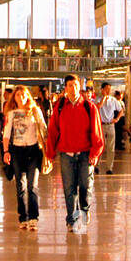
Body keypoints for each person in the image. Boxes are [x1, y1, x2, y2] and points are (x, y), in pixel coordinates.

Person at [45, 74, 104, 233]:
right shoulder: (60, 107)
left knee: (85, 186)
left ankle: (84, 210)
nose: (73, 88)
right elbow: (53, 131)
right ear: (65, 88)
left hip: (85, 154)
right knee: (69, 188)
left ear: (80, 87)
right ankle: (72, 219)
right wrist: (50, 154)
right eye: (70, 85)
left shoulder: (89, 107)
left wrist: (95, 153)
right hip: (66, 154)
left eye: (76, 85)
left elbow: (96, 131)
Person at [2, 86, 51, 230]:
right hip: (17, 151)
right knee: (20, 186)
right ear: (14, 98)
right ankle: (23, 217)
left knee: (32, 185)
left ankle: (34, 217)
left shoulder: (35, 111)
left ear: (28, 96)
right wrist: (6, 151)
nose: (21, 97)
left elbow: (44, 131)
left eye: (23, 94)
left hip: (33, 150)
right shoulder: (11, 114)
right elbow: (6, 134)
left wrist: (48, 152)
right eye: (18, 95)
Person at [97, 82, 123, 174]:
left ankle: (109, 167)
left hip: (111, 125)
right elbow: (99, 106)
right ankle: (97, 165)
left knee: (111, 147)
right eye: (106, 89)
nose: (108, 91)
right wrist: (104, 97)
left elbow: (121, 110)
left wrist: (117, 119)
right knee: (100, 146)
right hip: (101, 125)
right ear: (102, 89)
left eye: (109, 89)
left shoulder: (113, 100)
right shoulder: (98, 99)